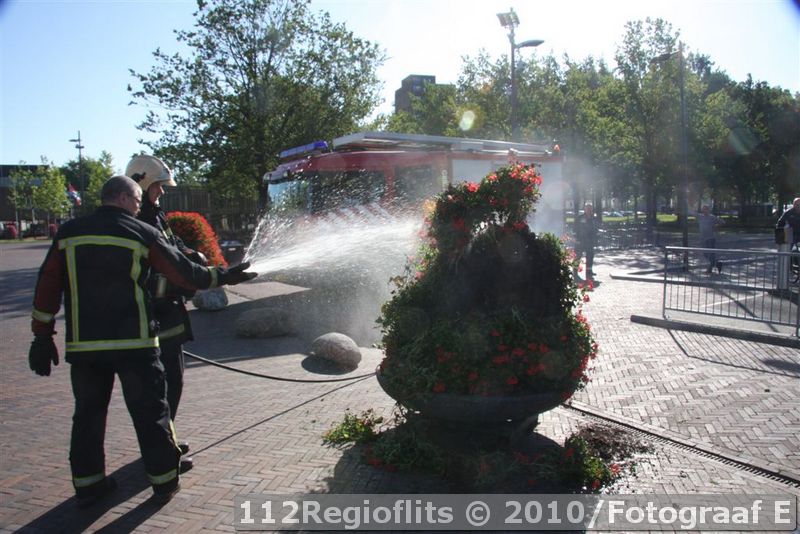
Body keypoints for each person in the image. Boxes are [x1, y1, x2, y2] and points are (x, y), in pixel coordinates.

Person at [28, 176, 256, 507]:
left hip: (86, 348)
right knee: (152, 413)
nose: (139, 208)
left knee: (88, 417)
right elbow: (184, 272)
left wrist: (41, 336)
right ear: (121, 198)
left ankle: (89, 487)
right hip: (135, 344)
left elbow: (47, 284)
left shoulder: (69, 234)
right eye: (136, 201)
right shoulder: (140, 232)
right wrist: (224, 275)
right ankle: (164, 483)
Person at [126, 154, 200, 462]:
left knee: (173, 382)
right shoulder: (140, 220)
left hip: (170, 313)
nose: (163, 192)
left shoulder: (154, 214)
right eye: (159, 186)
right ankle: (161, 450)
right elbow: (159, 263)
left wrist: (191, 253)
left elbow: (172, 245)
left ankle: (166, 440)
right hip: (158, 317)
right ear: (143, 184)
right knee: (163, 387)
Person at [574, 202, 601, 280]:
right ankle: (575, 272)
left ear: (592, 209)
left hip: (590, 241)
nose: (589, 210)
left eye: (590, 208)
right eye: (587, 208)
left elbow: (595, 228)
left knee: (590, 256)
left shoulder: (593, 218)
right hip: (580, 240)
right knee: (577, 257)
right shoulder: (580, 218)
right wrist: (576, 238)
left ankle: (589, 271)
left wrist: (597, 236)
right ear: (584, 209)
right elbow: (575, 229)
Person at [696, 205, 725, 274]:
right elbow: (692, 213)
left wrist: (715, 226)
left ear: (708, 210)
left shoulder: (712, 217)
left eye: (706, 209)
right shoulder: (700, 216)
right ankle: (717, 264)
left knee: (711, 254)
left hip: (710, 238)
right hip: (703, 238)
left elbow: (722, 222)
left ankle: (710, 269)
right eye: (703, 209)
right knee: (705, 254)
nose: (704, 211)